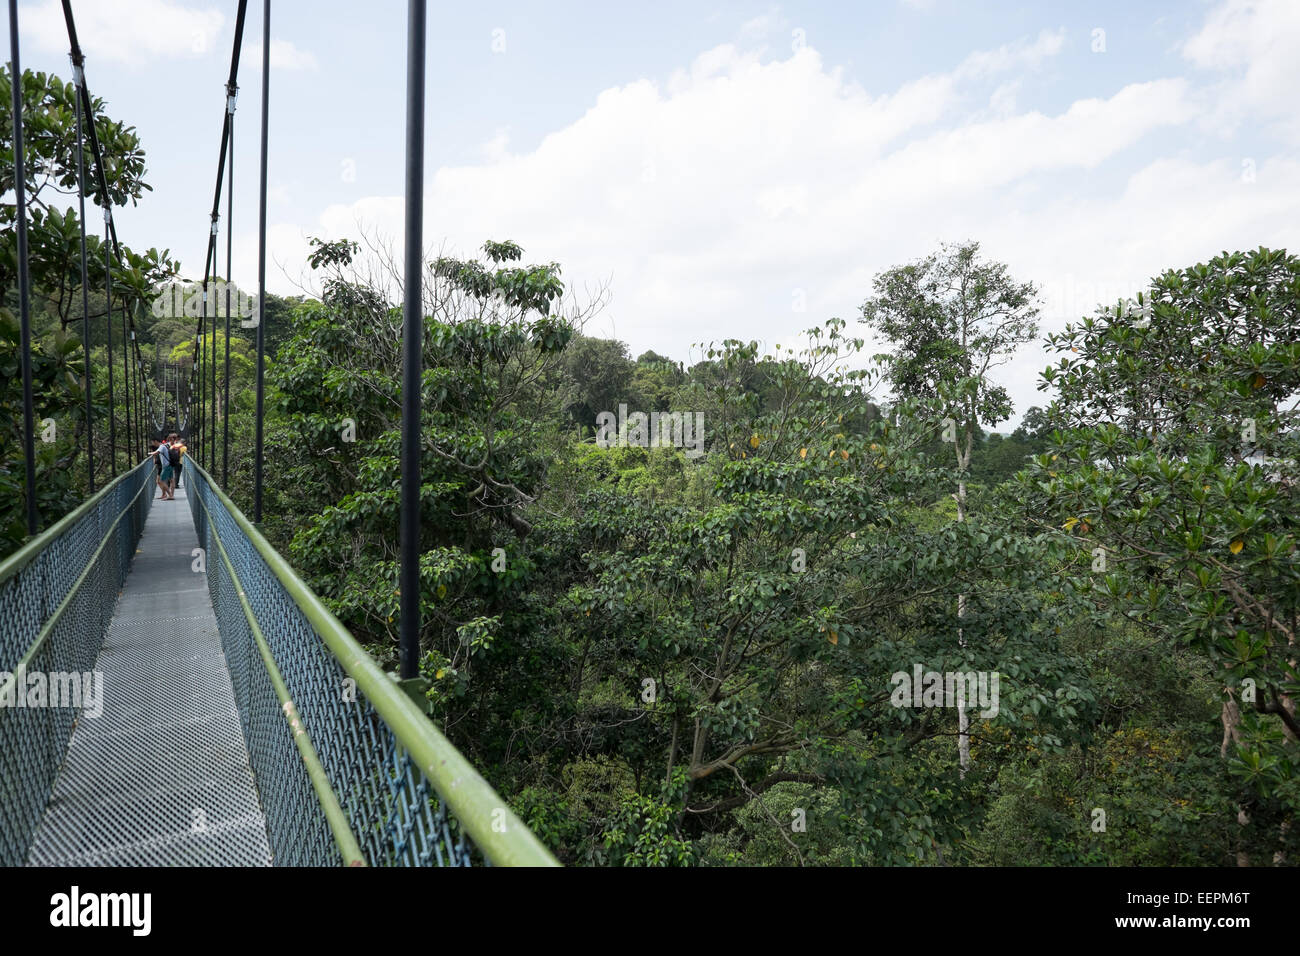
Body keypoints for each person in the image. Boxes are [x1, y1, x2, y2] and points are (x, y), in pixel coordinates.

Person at [153, 435, 174, 500]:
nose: (153, 444)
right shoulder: (166, 445)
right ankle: (167, 495)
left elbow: (156, 453)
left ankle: (170, 495)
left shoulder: (162, 446)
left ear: (156, 441)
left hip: (165, 466)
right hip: (169, 464)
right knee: (171, 480)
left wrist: (150, 454)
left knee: (161, 481)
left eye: (153, 442)